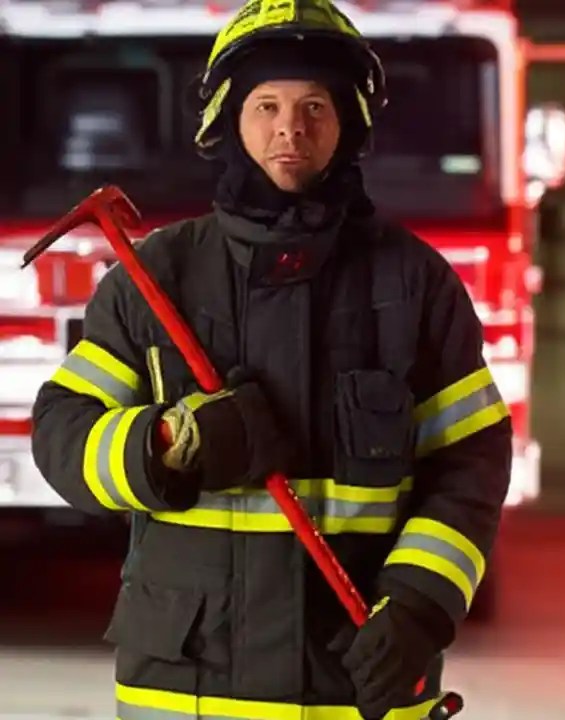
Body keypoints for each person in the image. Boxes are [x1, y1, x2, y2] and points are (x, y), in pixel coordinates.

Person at [30, 1, 512, 718]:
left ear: (348, 124)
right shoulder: (155, 276)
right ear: (229, 120)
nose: (292, 127)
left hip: (360, 684)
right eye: (267, 105)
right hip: (184, 690)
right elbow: (62, 435)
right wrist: (165, 444)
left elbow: (470, 460)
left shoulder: (415, 283)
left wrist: (417, 605)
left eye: (316, 104)